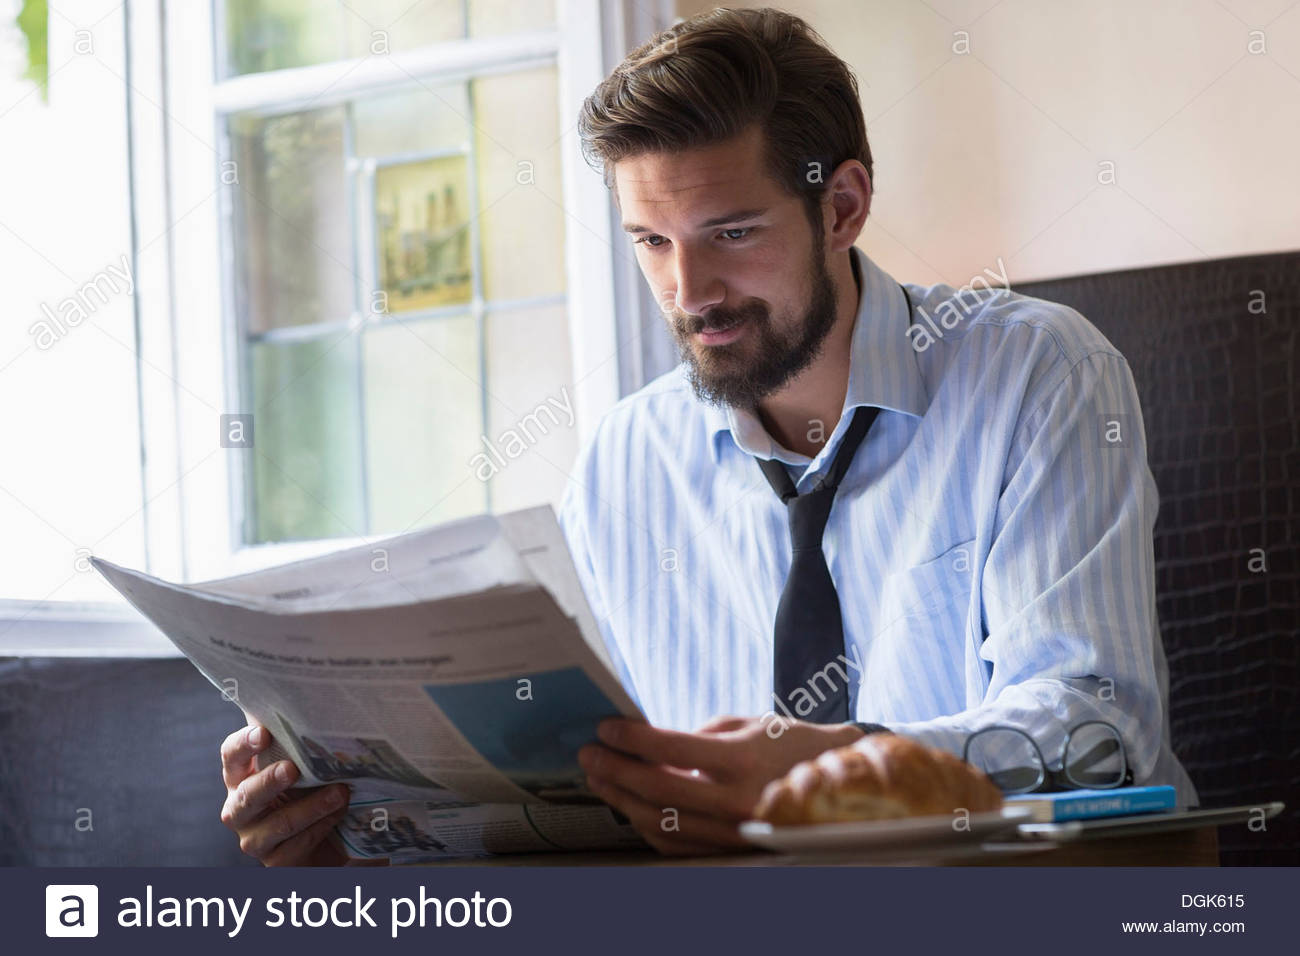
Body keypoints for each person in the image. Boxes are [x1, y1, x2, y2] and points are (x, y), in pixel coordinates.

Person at [220, 6, 1196, 863]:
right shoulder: (623, 464)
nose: (688, 294)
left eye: (730, 233)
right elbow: (565, 778)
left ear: (842, 206)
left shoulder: (1039, 375)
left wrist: (849, 769)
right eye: (651, 242)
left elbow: (1093, 730)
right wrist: (356, 820)